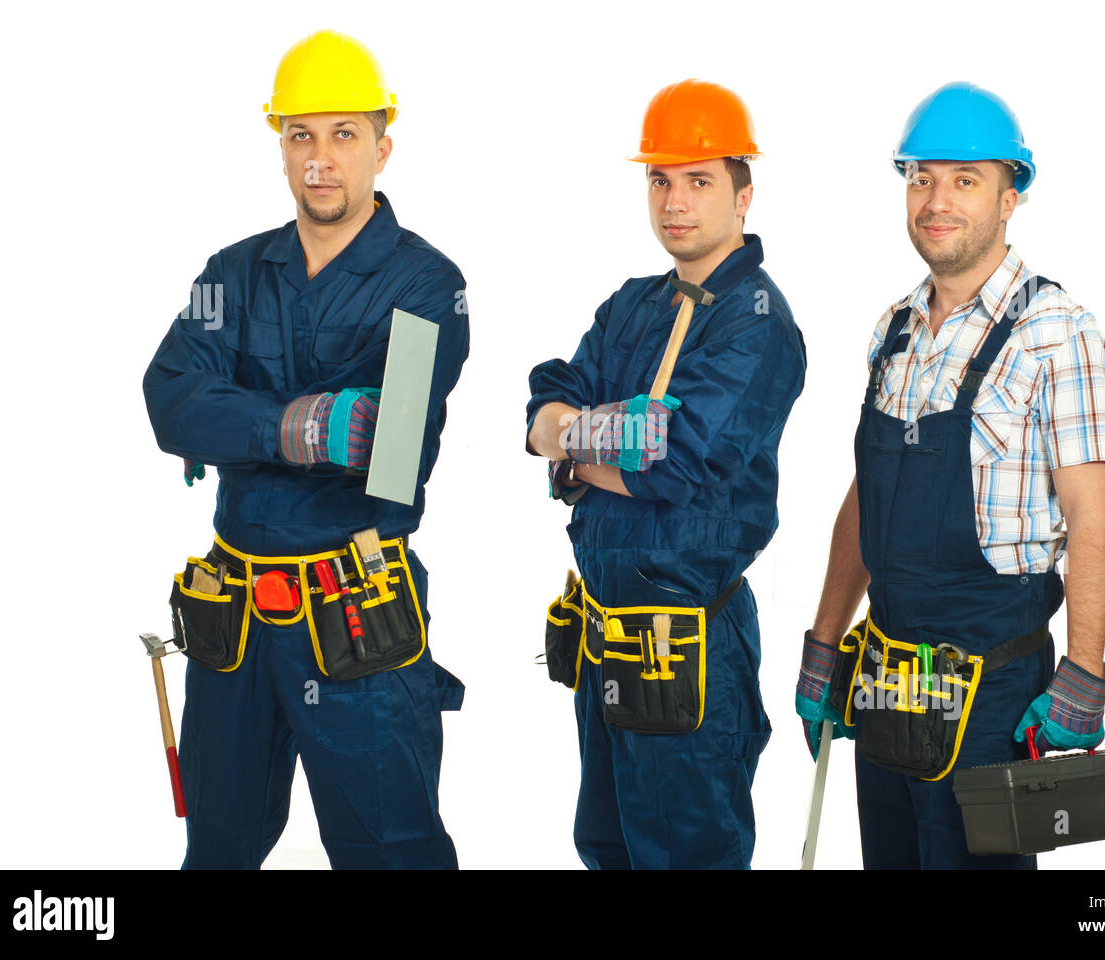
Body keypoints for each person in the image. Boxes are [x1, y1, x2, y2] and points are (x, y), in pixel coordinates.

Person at [142, 29, 469, 869]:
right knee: (216, 846)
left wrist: (239, 420)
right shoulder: (231, 272)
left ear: (383, 147)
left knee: (390, 851)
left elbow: (391, 448)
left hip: (353, 615)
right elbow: (169, 398)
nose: (320, 159)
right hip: (234, 621)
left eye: (344, 135)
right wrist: (305, 425)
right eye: (301, 135)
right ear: (280, 147)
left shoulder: (432, 285)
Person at [797, 81, 1105, 869]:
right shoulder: (893, 331)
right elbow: (864, 502)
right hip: (886, 680)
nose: (936, 200)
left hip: (993, 693)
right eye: (920, 178)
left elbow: (1092, 518)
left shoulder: (1057, 333)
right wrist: (824, 641)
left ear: (1012, 195)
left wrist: (1081, 672)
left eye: (965, 179)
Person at [527, 79, 806, 869]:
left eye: (698, 179)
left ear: (743, 194)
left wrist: (576, 455)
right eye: (660, 179)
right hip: (602, 634)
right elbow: (546, 403)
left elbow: (679, 462)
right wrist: (600, 442)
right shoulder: (631, 305)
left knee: (688, 856)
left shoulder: (758, 326)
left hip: (687, 644)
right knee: (608, 846)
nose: (674, 201)